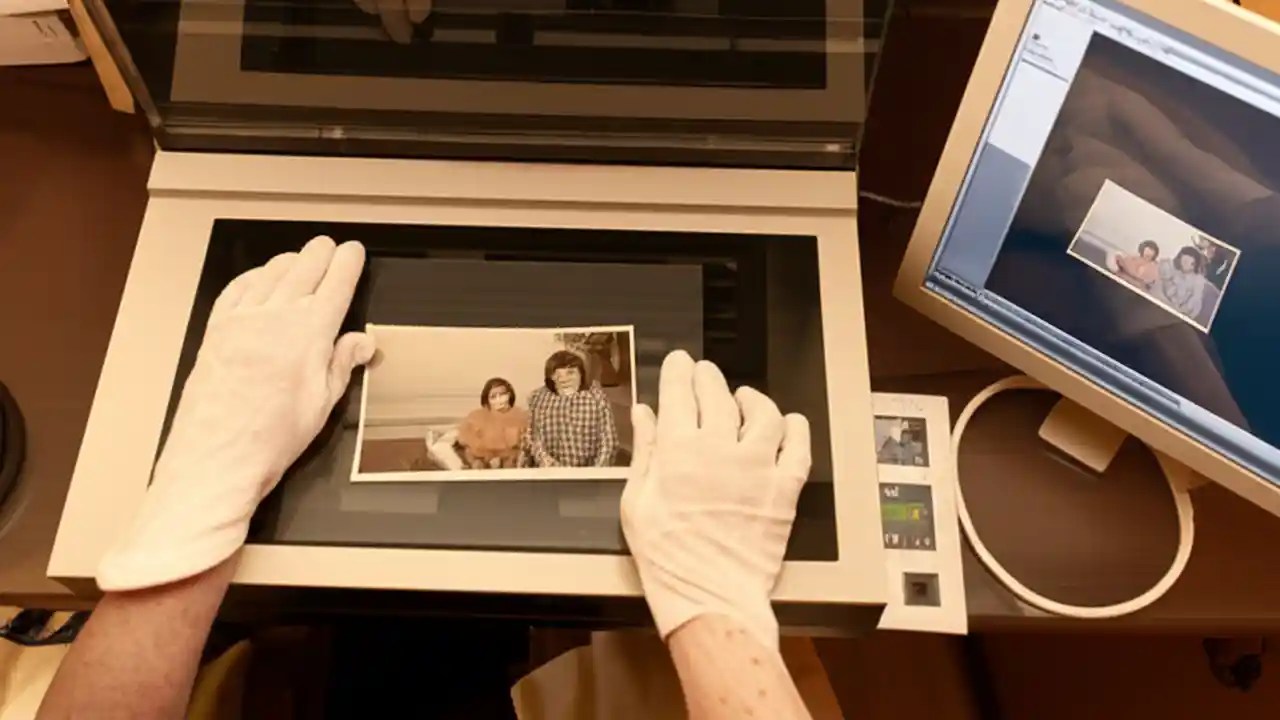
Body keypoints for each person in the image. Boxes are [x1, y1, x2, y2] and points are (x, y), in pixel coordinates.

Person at [36, 236, 815, 720]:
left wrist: (195, 491)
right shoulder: (527, 406)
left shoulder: (551, 408)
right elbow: (511, 442)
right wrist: (718, 611)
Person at [523, 350, 619, 468]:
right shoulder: (538, 398)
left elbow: (608, 441)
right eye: (557, 375)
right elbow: (533, 438)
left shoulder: (597, 397)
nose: (564, 379)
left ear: (581, 374)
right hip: (551, 472)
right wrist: (551, 466)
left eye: (571, 373)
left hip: (590, 471)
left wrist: (596, 471)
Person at [457, 377, 528, 469]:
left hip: (512, 465)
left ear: (509, 395)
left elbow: (526, 445)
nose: (499, 399)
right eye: (493, 396)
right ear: (487, 399)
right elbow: (466, 446)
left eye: (502, 394)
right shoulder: (476, 417)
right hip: (482, 464)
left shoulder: (521, 416)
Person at [1155, 246, 1206, 321]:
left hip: (1185, 314)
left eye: (1189, 262)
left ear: (1195, 264)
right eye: (1184, 261)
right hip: (1168, 306)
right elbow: (1168, 292)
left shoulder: (1198, 280)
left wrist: (1181, 310)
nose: (1185, 264)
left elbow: (1194, 301)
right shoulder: (1176, 273)